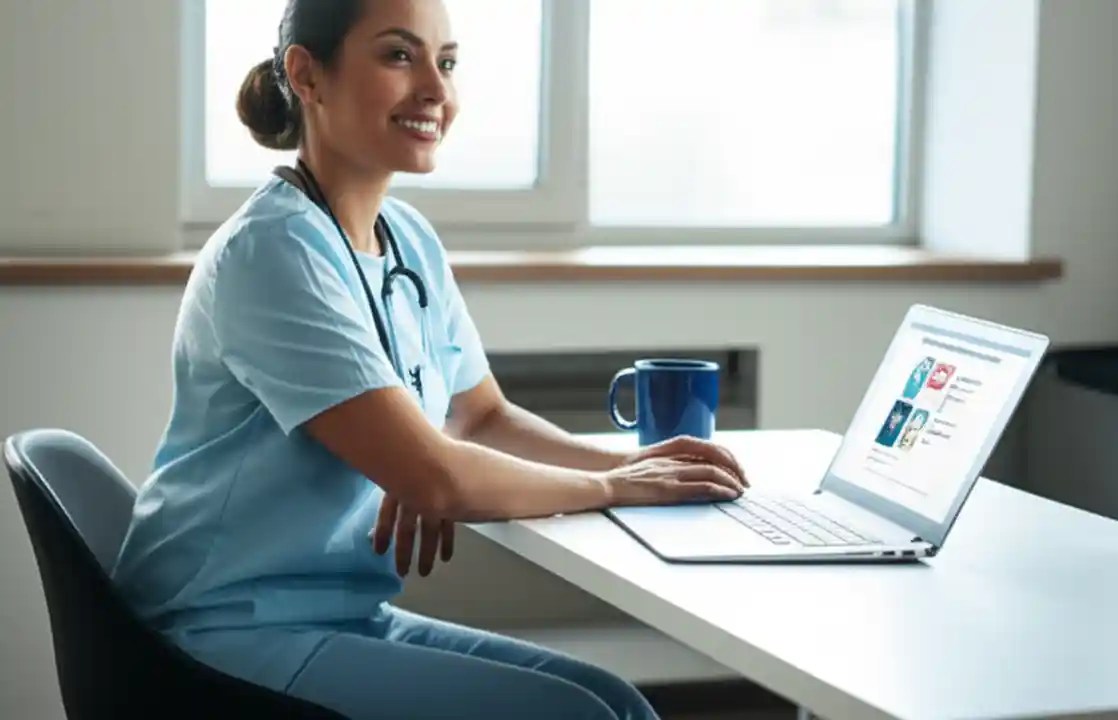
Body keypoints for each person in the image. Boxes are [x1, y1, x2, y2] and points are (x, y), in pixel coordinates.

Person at [109, 1, 748, 718]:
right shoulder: (271, 250)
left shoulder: (407, 238)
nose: (436, 90)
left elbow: (481, 418)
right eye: (398, 56)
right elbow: (437, 476)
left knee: (611, 701)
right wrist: (614, 489)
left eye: (446, 63)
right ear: (307, 76)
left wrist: (626, 464)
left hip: (342, 616)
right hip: (218, 635)